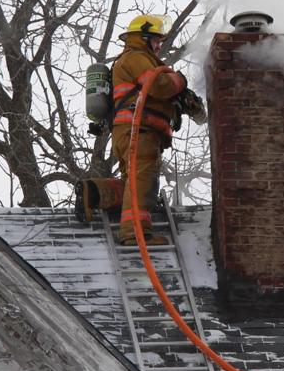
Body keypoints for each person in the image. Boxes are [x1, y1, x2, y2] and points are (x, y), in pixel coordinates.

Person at [77, 14, 206, 245]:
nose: (158, 45)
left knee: (131, 182)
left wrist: (187, 102)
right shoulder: (136, 57)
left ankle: (94, 192)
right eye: (156, 40)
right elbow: (158, 85)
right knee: (144, 181)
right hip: (139, 131)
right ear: (143, 37)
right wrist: (181, 80)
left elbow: (158, 92)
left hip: (130, 131)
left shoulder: (139, 60)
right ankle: (135, 234)